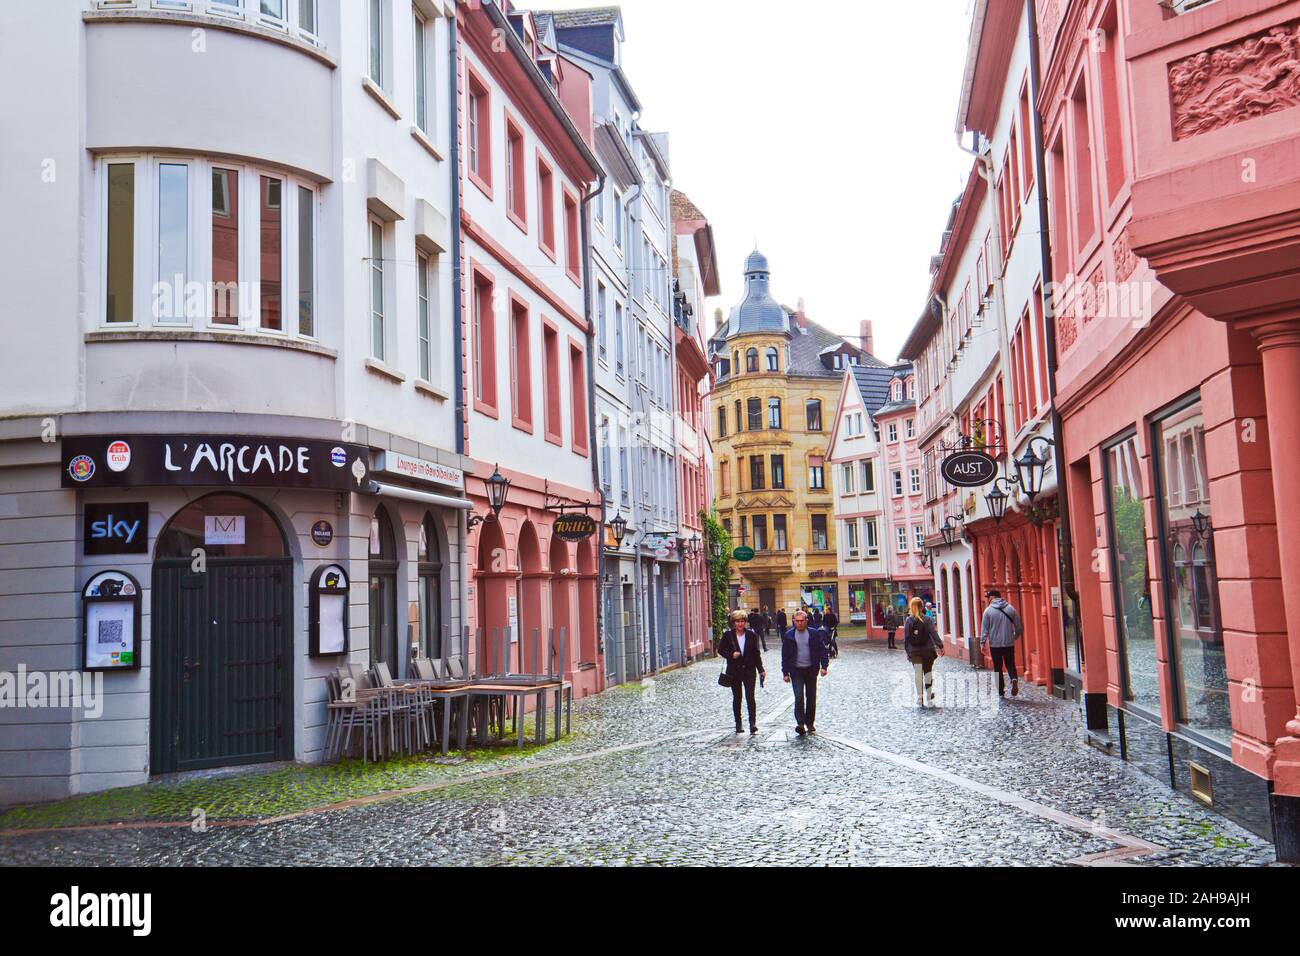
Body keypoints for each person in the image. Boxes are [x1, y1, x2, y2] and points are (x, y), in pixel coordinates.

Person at [782, 609, 830, 736]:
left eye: (802, 621)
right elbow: (785, 655)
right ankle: (800, 723)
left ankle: (810, 723)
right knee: (798, 696)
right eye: (797, 621)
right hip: (796, 670)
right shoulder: (789, 635)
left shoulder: (814, 634)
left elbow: (822, 650)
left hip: (811, 669)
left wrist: (824, 666)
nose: (799, 623)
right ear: (793, 622)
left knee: (811, 697)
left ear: (806, 621)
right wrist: (785, 673)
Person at [719, 609, 766, 734]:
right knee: (737, 697)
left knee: (750, 696)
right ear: (733, 623)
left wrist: (761, 669)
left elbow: (756, 654)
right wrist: (731, 655)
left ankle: (752, 723)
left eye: (742, 621)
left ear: (745, 622)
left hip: (749, 670)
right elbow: (720, 650)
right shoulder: (728, 635)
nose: (740, 624)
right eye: (737, 621)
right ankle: (738, 723)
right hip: (734, 671)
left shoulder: (752, 635)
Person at [980, 589, 1025, 697]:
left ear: (992, 597)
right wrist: (1014, 636)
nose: (988, 600)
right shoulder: (1010, 608)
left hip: (995, 645)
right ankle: (1013, 679)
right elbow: (1019, 627)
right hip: (1008, 643)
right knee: (1010, 664)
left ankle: (1001, 691)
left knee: (997, 667)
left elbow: (984, 629)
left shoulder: (988, 611)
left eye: (989, 597)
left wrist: (982, 643)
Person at [903, 596, 944, 707]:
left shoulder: (908, 620)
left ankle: (920, 697)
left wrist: (908, 652)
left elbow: (906, 638)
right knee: (928, 673)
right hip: (927, 651)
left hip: (914, 651)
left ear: (911, 607)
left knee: (918, 674)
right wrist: (940, 646)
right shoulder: (927, 619)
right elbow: (933, 633)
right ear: (922, 607)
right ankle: (929, 694)